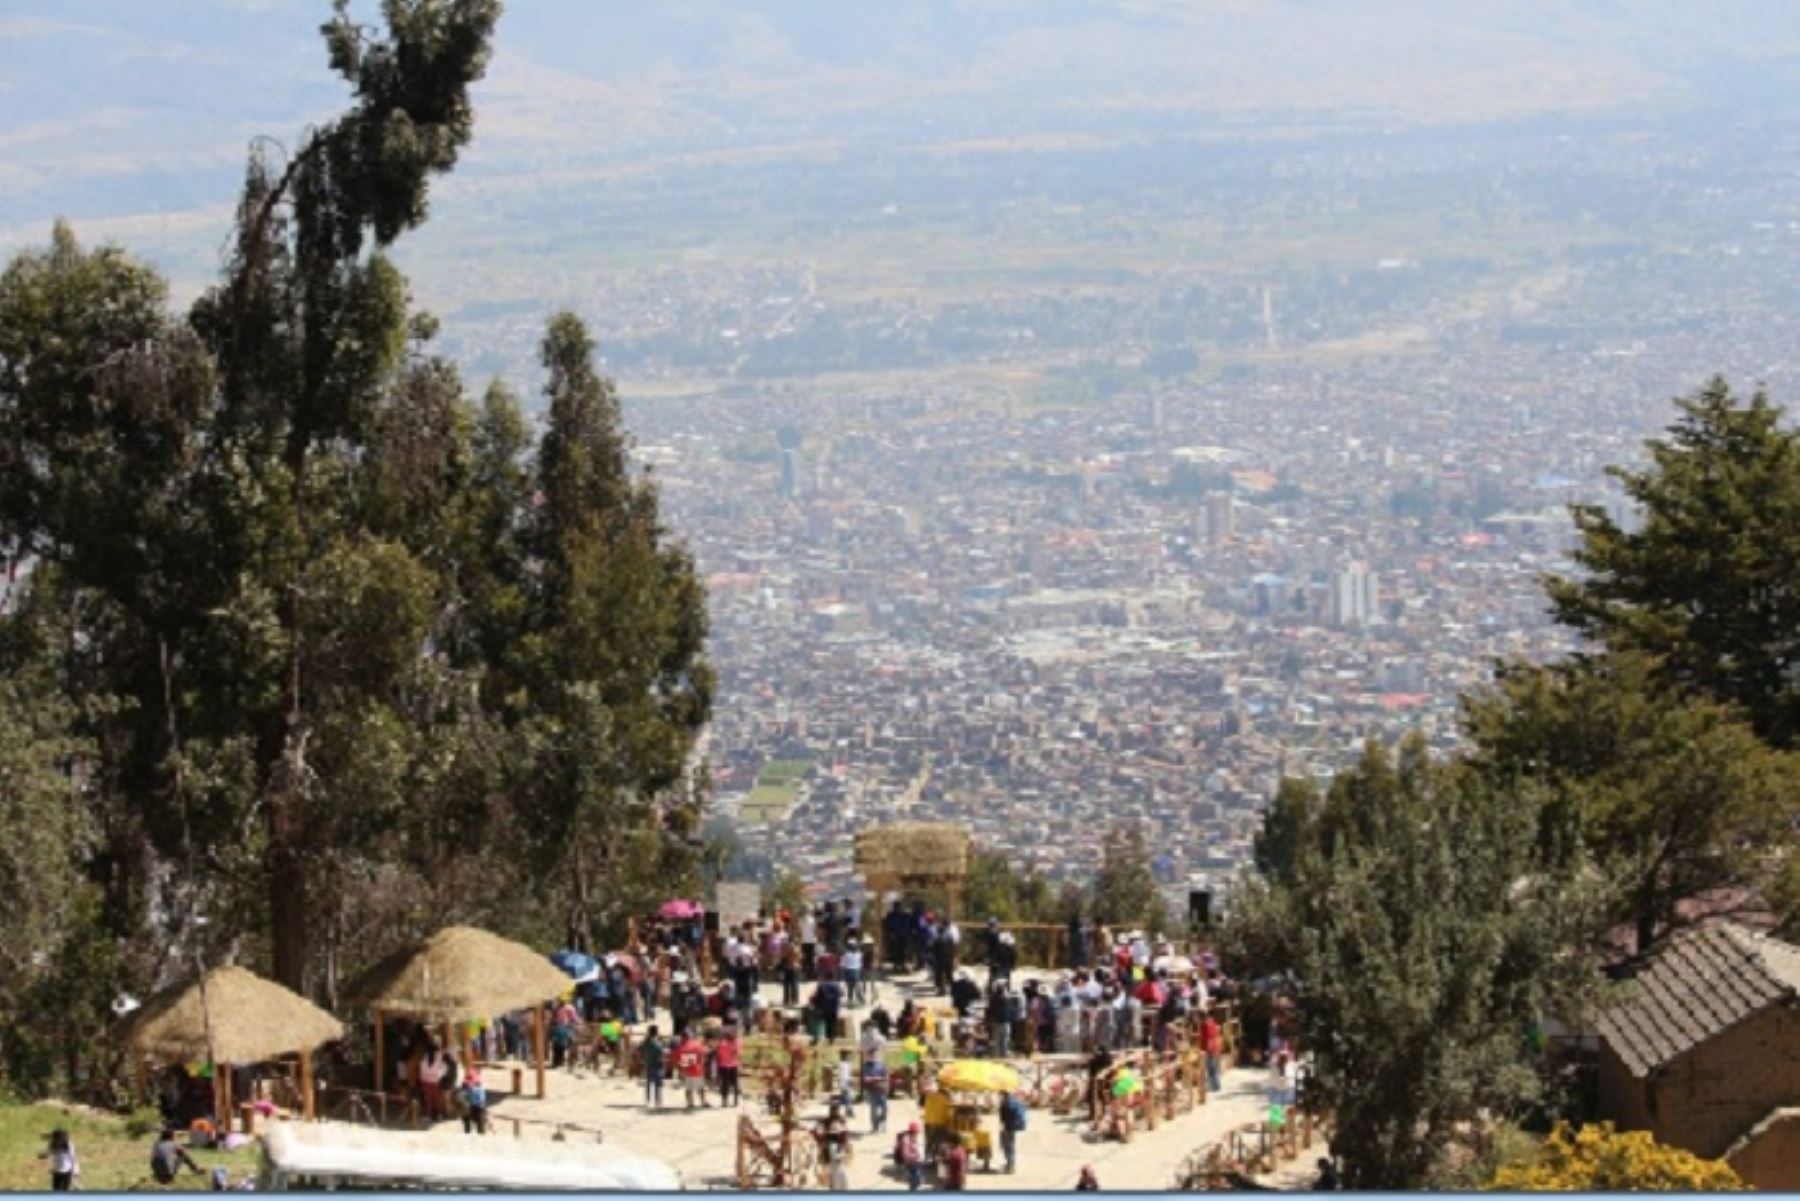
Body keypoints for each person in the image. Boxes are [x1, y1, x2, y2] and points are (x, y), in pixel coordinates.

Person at [676, 1029, 710, 1109]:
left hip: (687, 1071)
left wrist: (680, 1069)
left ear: (682, 1037)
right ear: (689, 1036)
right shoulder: (696, 1044)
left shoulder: (680, 1046)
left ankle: (690, 1103)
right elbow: (704, 1052)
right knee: (700, 1087)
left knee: (688, 1088)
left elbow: (678, 1059)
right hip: (697, 1069)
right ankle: (703, 1102)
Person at [821, 1104, 851, 1192]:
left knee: (838, 1173)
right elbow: (844, 1136)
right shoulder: (836, 1121)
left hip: (834, 1150)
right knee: (837, 1173)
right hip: (833, 1150)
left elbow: (844, 1136)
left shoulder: (835, 1121)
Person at [998, 1089, 1026, 1174]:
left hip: (1007, 1128)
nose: (999, 1096)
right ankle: (1011, 1165)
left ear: (1003, 1095)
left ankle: (1010, 1167)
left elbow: (1002, 1118)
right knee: (1011, 1146)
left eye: (1000, 1094)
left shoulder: (1005, 1104)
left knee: (1007, 1147)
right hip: (1013, 1127)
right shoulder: (1013, 1101)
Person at [862, 1051, 889, 1133]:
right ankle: (875, 1126)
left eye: (873, 1055)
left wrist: (876, 1078)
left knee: (885, 1108)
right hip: (872, 1091)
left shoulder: (881, 1065)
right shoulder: (865, 1066)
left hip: (881, 1090)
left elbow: (886, 1076)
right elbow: (866, 1079)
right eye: (869, 1055)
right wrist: (876, 1078)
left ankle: (882, 1121)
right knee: (874, 1110)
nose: (871, 1057)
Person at [641, 1026, 667, 1108]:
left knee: (649, 1083)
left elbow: (639, 1048)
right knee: (658, 1084)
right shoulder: (658, 1043)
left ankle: (648, 1100)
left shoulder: (646, 1042)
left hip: (648, 1064)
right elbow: (662, 1052)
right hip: (657, 1065)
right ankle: (658, 1101)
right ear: (656, 1032)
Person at [716, 1025, 742, 1107]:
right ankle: (734, 1101)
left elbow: (719, 1055)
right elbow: (737, 1053)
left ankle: (725, 1101)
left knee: (725, 1084)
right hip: (732, 1065)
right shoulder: (737, 1042)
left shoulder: (722, 1043)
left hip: (725, 1066)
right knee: (734, 1084)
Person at [896, 1120, 925, 1191]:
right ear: (913, 1132)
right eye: (916, 1132)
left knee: (917, 1180)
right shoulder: (906, 1140)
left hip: (915, 1163)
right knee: (915, 1181)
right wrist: (915, 1157)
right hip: (910, 1164)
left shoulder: (913, 1138)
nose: (917, 1134)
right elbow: (905, 1154)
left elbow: (915, 1149)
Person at [459, 1068, 489, 1135]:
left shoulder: (465, 1081)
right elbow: (482, 1099)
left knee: (467, 1126)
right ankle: (480, 1133)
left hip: (466, 1106)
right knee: (480, 1126)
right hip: (477, 1107)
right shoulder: (478, 1081)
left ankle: (468, 1132)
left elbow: (461, 1095)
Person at [1201, 1010, 1224, 1094]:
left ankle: (1214, 1085)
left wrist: (1203, 1049)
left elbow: (1206, 1038)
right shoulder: (1213, 1023)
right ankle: (1216, 1085)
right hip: (1215, 1046)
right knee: (1214, 1066)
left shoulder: (1205, 1024)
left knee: (1211, 1067)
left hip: (1209, 1047)